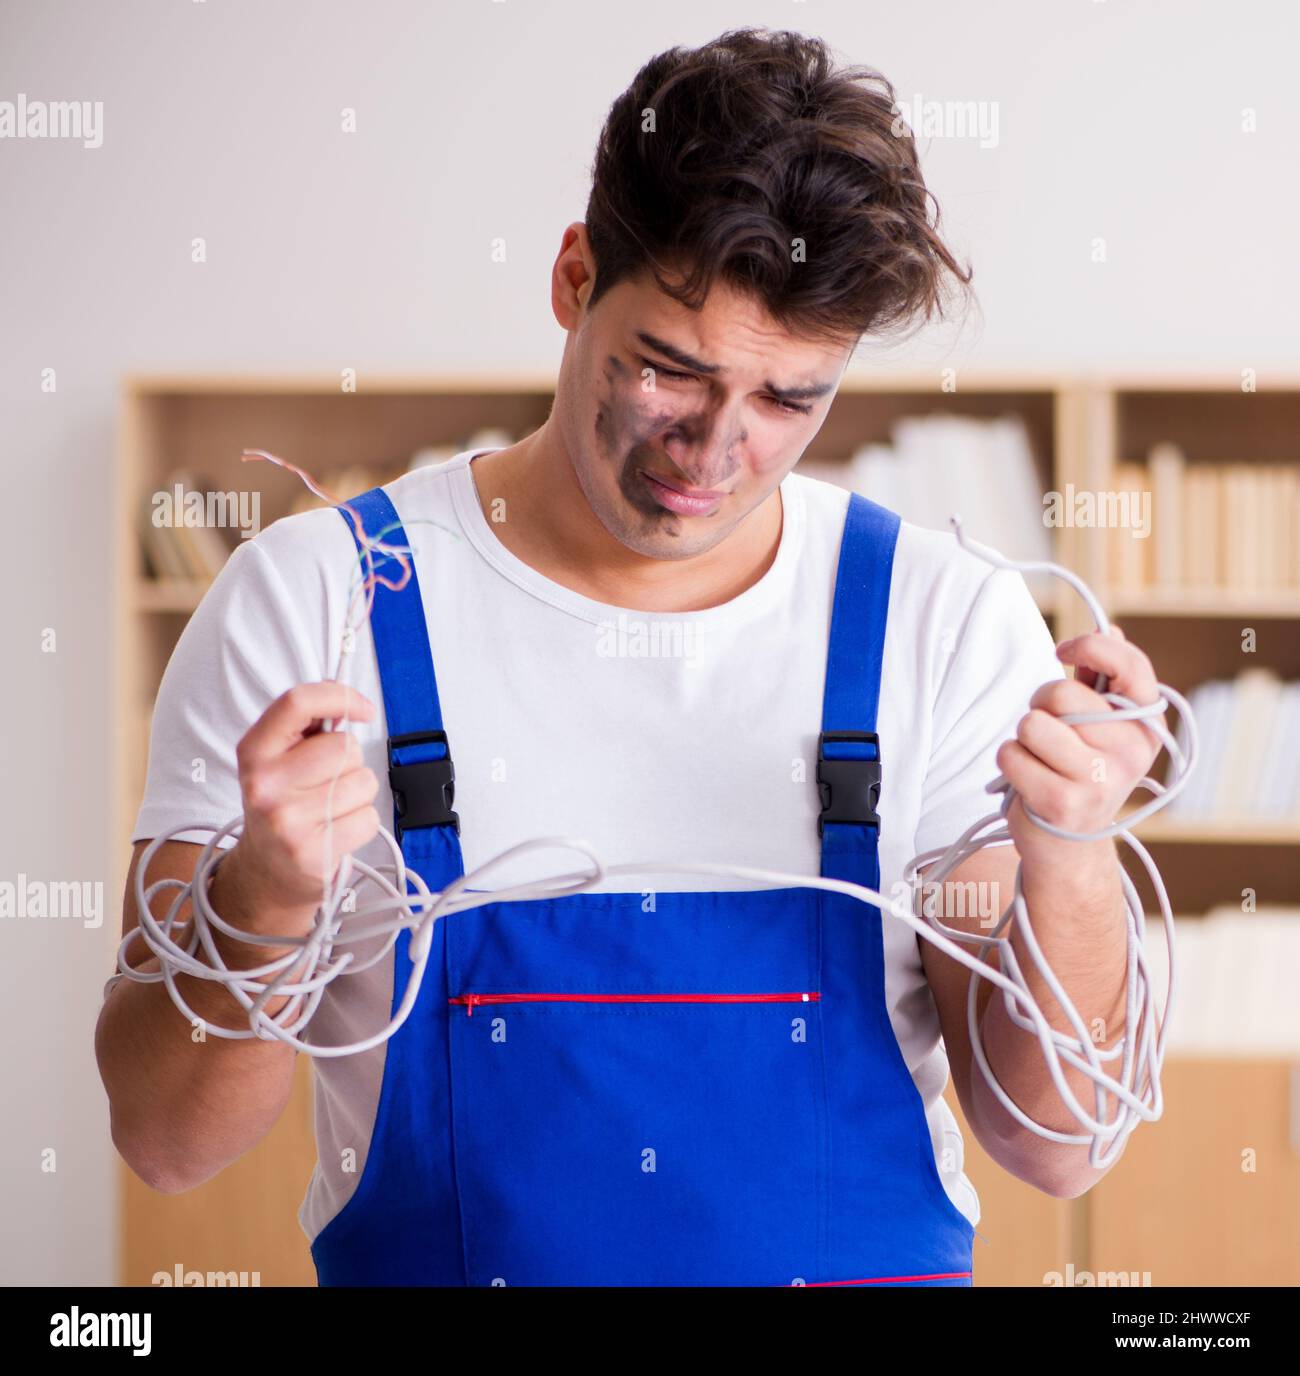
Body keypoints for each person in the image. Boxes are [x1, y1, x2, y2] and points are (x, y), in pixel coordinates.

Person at [96, 27, 1161, 1287]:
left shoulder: (941, 619)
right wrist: (262, 899)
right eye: (670, 369)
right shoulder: (316, 605)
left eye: (789, 400)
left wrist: (1072, 857)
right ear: (571, 276)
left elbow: (1061, 1143)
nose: (715, 450)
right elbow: (163, 1141)